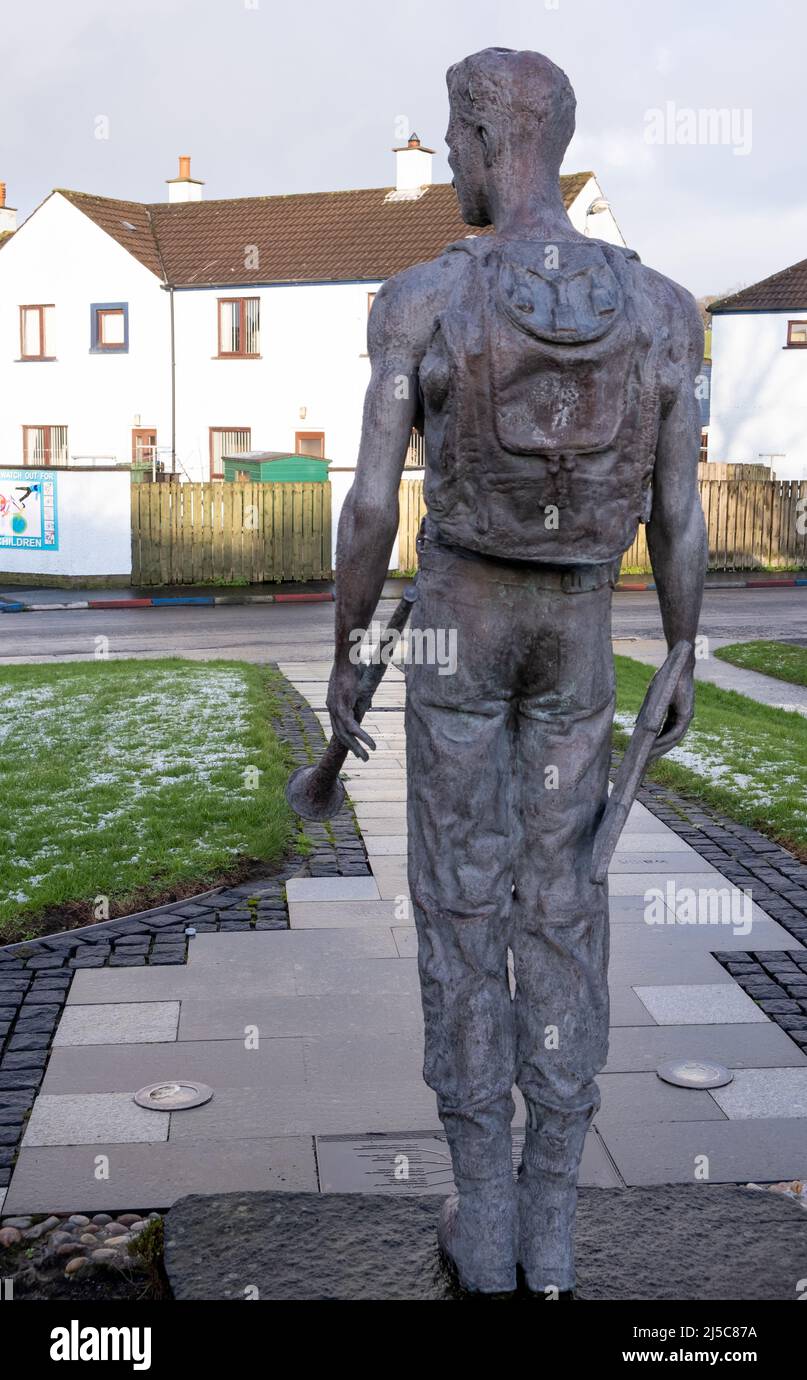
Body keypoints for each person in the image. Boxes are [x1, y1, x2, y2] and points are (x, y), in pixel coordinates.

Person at [327, 47, 706, 1295]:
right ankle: (553, 1221)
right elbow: (678, 512)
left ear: (495, 133)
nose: (445, 160)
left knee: (461, 896)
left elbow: (374, 503)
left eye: (453, 135)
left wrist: (344, 653)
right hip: (583, 629)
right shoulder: (660, 307)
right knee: (565, 899)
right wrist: (687, 644)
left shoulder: (421, 298)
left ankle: (484, 1211)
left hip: (458, 620)